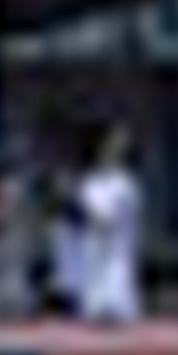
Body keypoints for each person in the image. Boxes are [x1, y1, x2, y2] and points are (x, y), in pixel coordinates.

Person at [70, 135, 145, 326]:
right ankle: (94, 311)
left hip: (117, 237)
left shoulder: (125, 183)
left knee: (117, 271)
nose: (106, 160)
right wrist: (91, 218)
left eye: (111, 156)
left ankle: (119, 311)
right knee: (92, 272)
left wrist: (109, 220)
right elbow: (82, 207)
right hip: (93, 236)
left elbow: (128, 210)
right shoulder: (90, 183)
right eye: (103, 156)